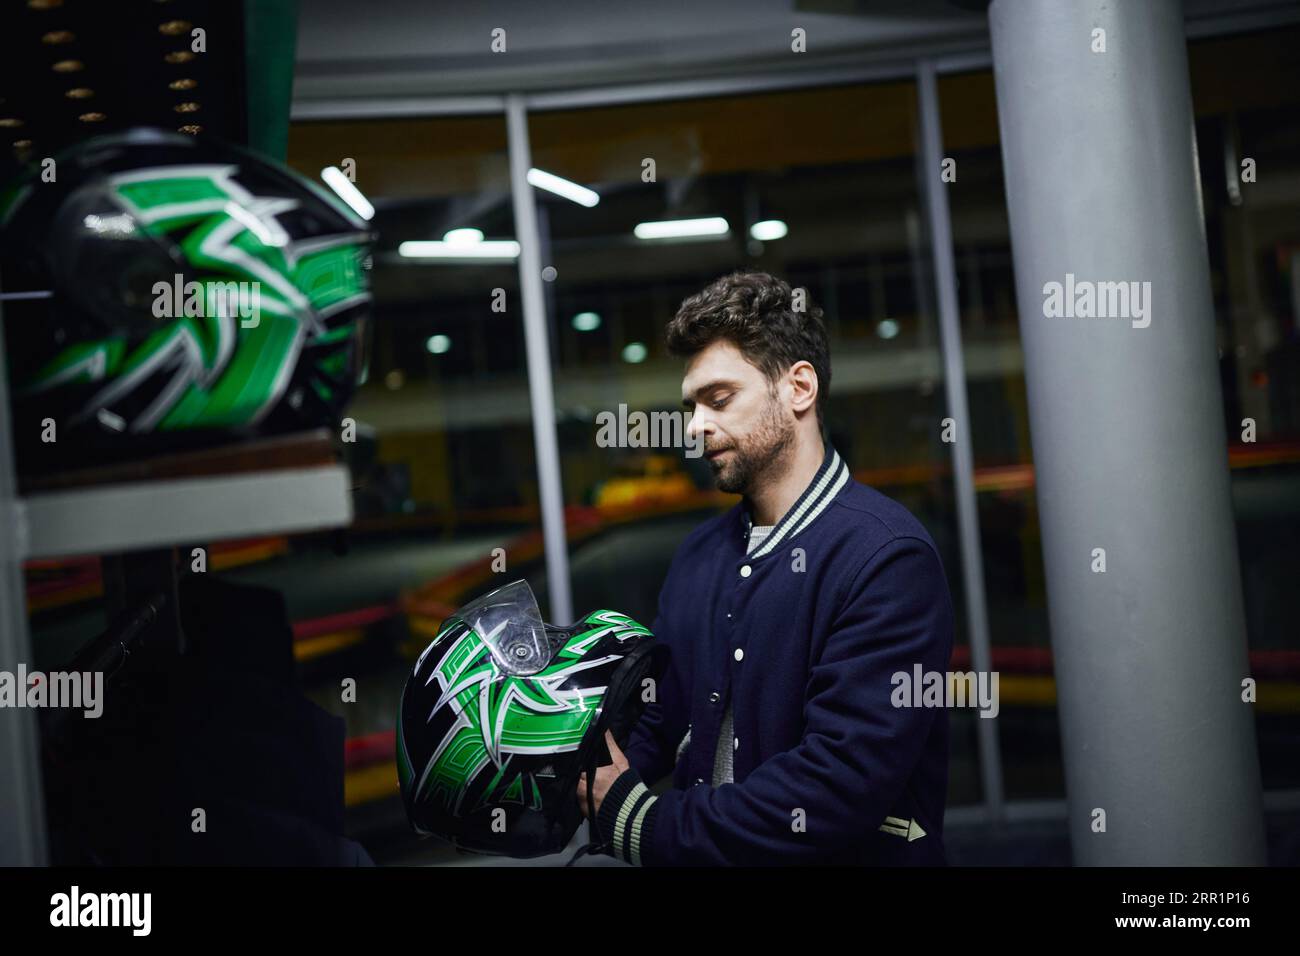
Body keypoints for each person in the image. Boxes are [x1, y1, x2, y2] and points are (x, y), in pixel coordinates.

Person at [576, 270, 954, 865]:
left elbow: (835, 788)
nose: (695, 425)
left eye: (719, 399)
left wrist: (644, 824)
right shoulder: (699, 556)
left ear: (798, 388)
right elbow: (659, 717)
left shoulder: (886, 557)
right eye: (690, 406)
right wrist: (565, 758)